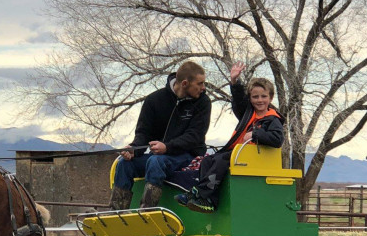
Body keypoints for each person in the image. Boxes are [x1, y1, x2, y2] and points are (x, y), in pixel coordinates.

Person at [175, 62, 284, 213]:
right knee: (208, 161)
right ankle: (208, 201)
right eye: (255, 97)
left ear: (270, 98)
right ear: (250, 98)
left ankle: (199, 192)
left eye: (264, 96)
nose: (259, 100)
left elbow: (277, 139)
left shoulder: (273, 119)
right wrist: (234, 81)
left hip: (252, 156)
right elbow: (239, 101)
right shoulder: (248, 114)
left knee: (222, 159)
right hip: (238, 153)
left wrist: (255, 134)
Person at [109, 60, 211, 210]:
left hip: (187, 156)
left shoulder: (203, 102)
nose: (203, 88)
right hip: (159, 157)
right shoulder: (153, 100)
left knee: (155, 161)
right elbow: (143, 133)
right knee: (124, 164)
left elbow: (195, 136)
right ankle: (116, 212)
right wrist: (134, 149)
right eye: (200, 83)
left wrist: (167, 147)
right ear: (184, 83)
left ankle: (146, 211)